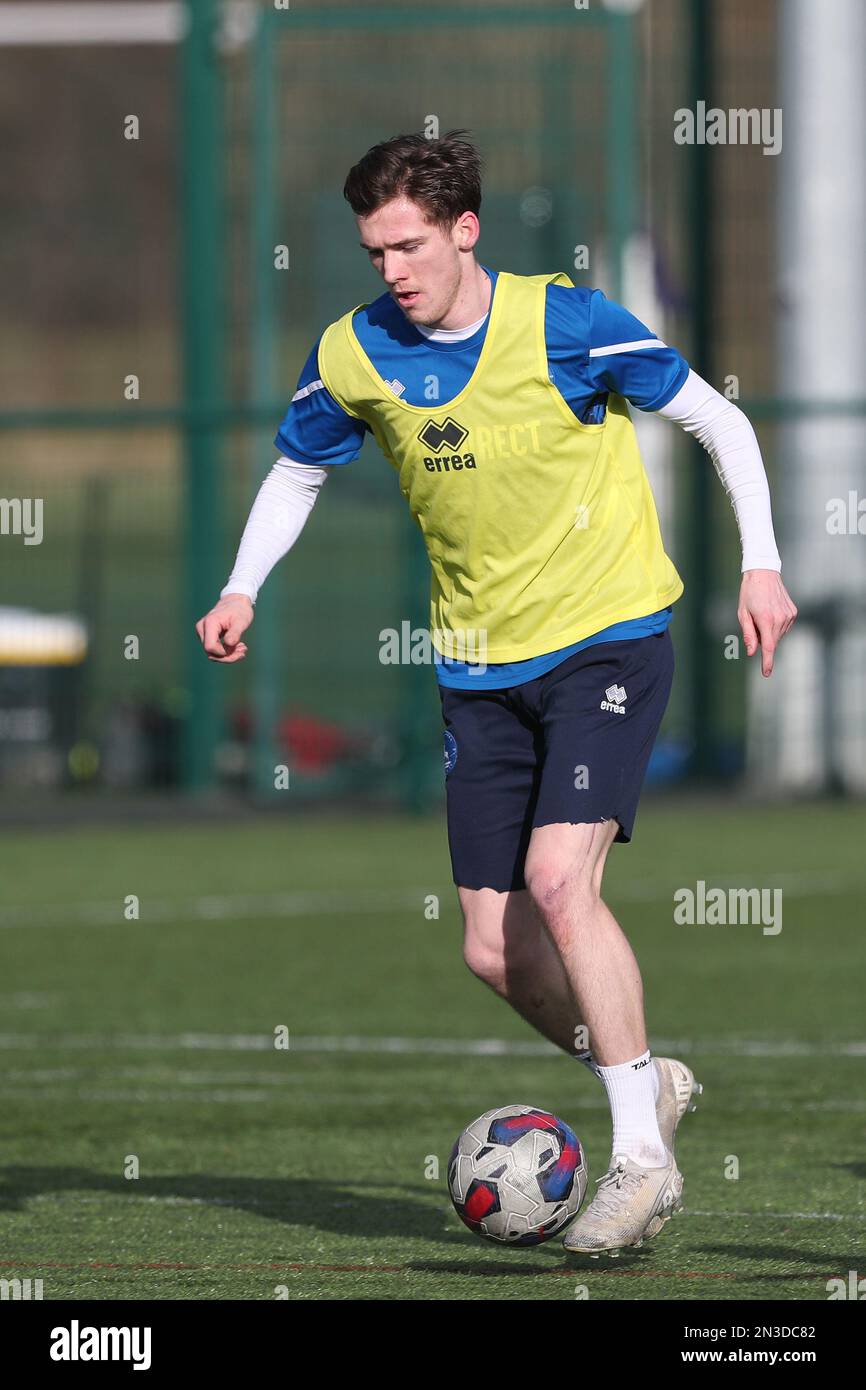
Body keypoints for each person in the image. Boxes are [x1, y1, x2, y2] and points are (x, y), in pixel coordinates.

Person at [196, 131, 797, 1254]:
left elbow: (717, 418)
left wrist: (759, 563)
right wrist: (240, 586)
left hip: (607, 639)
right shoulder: (356, 350)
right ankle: (642, 1078)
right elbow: (296, 467)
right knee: (489, 947)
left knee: (557, 880)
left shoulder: (565, 321)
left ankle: (638, 1162)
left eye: (409, 246)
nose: (391, 270)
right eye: (374, 250)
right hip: (477, 669)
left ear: (464, 229)